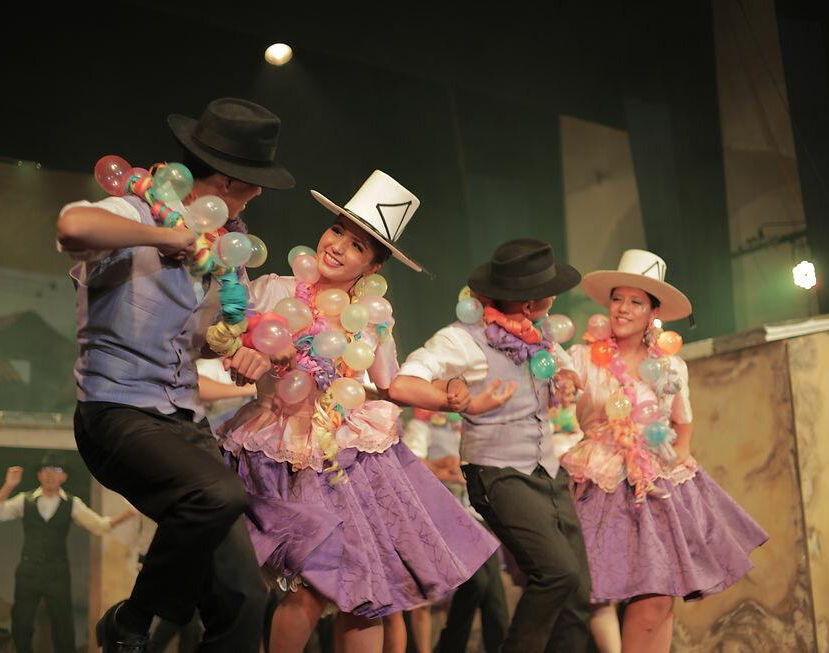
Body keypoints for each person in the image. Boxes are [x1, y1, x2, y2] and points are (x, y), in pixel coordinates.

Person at [215, 170, 500, 653]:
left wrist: (451, 397)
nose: (339, 246)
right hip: (280, 449)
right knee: (307, 588)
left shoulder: (373, 316)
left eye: (358, 246)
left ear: (372, 267)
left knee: (362, 591)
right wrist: (243, 360)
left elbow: (389, 385)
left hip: (347, 458)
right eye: (337, 231)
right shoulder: (272, 290)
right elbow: (231, 344)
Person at [55, 97, 294, 652]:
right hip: (115, 413)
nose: (258, 195)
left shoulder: (223, 254)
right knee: (218, 493)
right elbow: (72, 226)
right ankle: (133, 620)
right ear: (231, 181)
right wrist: (167, 238)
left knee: (244, 601)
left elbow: (214, 335)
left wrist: (251, 353)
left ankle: (146, 621)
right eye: (253, 183)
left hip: (183, 422)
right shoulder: (139, 214)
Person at [389, 238, 592, 653]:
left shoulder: (539, 334)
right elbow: (404, 382)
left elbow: (560, 359)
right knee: (556, 574)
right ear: (529, 300)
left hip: (546, 471)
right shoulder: (464, 340)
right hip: (498, 474)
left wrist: (568, 376)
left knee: (576, 588)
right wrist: (449, 393)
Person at [562, 249, 769, 653]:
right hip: (601, 481)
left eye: (635, 301)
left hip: (657, 483)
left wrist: (677, 460)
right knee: (598, 592)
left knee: (660, 598)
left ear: (651, 312)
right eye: (618, 299)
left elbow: (683, 421)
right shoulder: (583, 357)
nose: (623, 309)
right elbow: (559, 409)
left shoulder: (671, 367)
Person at [0, 452, 137, 653]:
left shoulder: (71, 503)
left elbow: (99, 525)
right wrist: (9, 486)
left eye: (56, 470)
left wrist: (124, 516)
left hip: (57, 572)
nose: (50, 474)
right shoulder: (25, 500)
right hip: (28, 570)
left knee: (63, 625)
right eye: (46, 470)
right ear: (39, 475)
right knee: (22, 624)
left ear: (63, 477)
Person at [401, 408, 509, 653]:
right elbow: (407, 468)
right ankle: (454, 645)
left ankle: (467, 645)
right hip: (438, 516)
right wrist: (448, 473)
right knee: (480, 584)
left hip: (471, 515)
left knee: (490, 590)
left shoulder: (464, 427)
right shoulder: (422, 427)